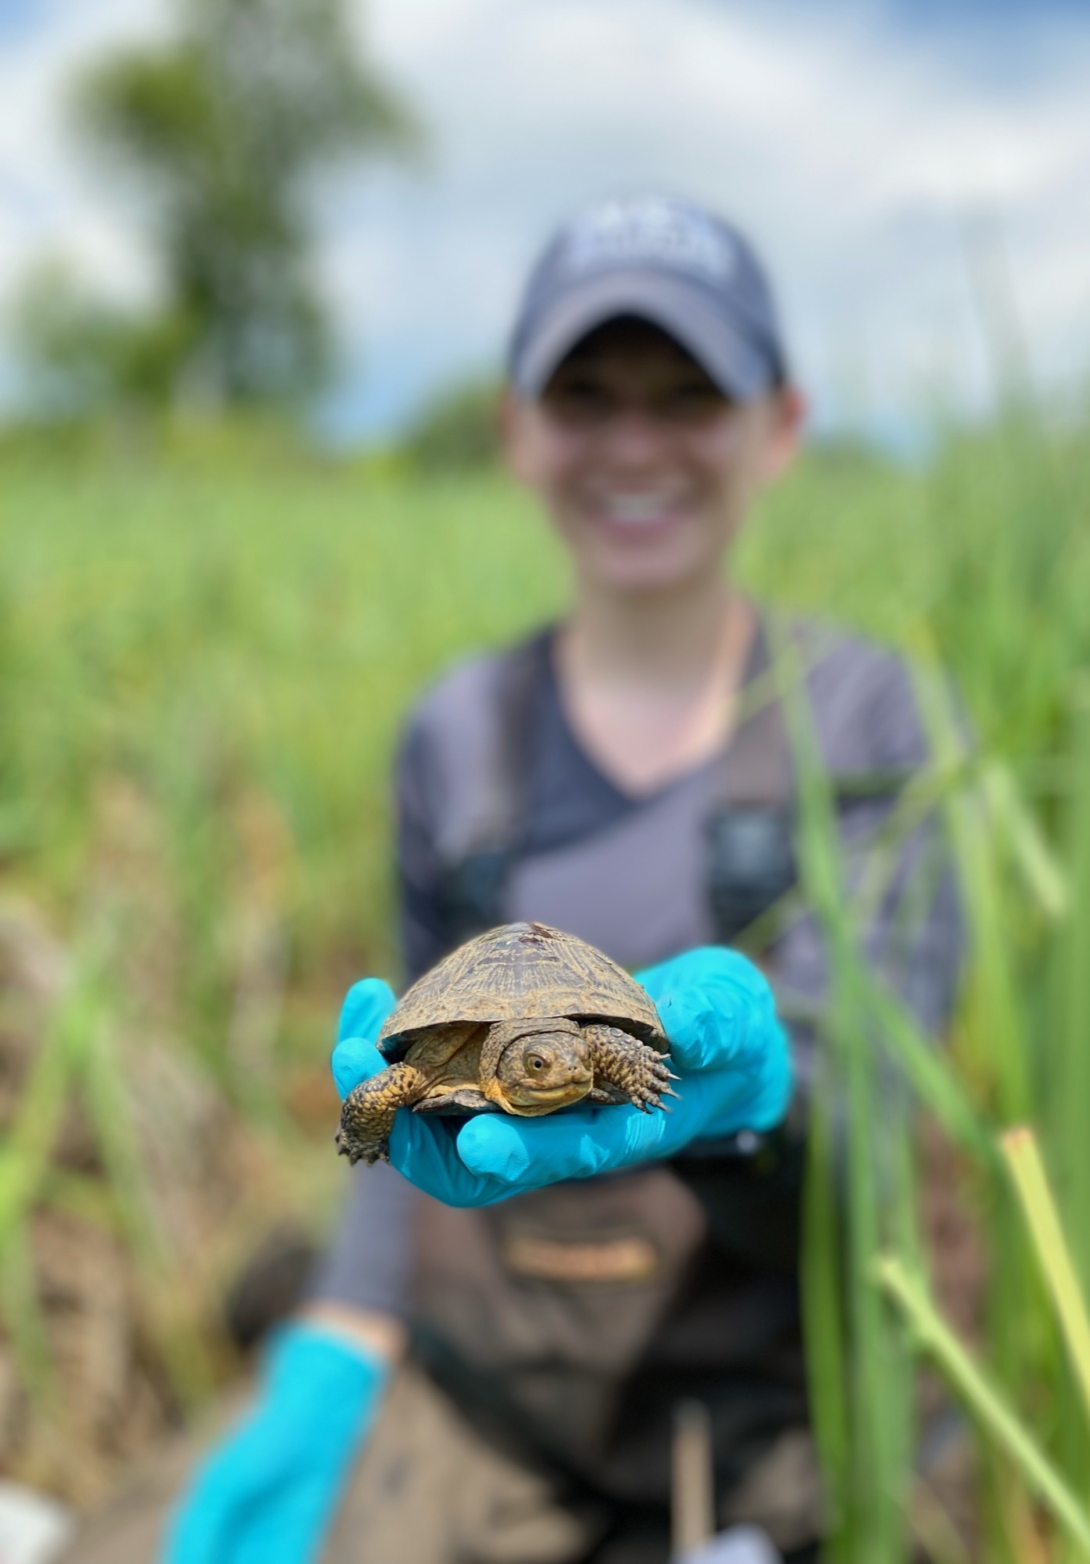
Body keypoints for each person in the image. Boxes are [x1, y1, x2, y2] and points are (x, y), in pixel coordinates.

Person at [63, 195, 963, 1564]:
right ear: (519, 430)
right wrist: (337, 1339)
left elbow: (875, 1102)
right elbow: (396, 1130)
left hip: (778, 1397)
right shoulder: (459, 733)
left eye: (688, 394)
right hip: (497, 1386)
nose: (635, 441)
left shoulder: (868, 718)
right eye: (585, 395)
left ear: (779, 426)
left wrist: (753, 1099)